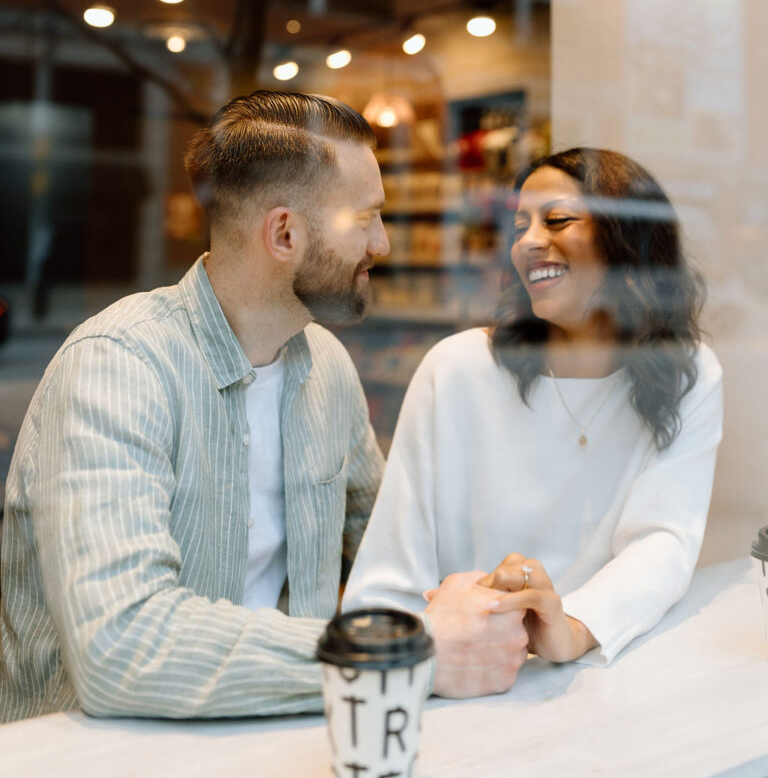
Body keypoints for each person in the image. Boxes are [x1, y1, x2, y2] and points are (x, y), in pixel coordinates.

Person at [0, 91, 527, 723]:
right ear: (284, 233)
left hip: (281, 737)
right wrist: (401, 652)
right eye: (365, 218)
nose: (382, 244)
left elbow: (396, 548)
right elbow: (122, 647)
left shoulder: (327, 367)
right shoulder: (117, 366)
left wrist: (502, 594)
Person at [344, 147, 724, 668]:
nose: (529, 242)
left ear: (627, 240)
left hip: (603, 675)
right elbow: (389, 577)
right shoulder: (458, 370)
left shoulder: (689, 372)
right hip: (458, 681)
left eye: (558, 220)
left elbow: (664, 541)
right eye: (520, 225)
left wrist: (571, 626)